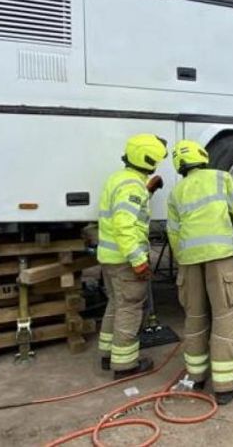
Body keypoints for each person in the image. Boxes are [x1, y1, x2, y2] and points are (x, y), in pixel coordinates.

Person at [167, 140, 233, 405]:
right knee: (225, 317)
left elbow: (173, 233)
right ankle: (225, 386)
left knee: (195, 317)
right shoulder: (221, 178)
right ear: (202, 157)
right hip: (220, 256)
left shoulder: (176, 191)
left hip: (189, 261)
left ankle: (196, 376)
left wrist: (185, 260)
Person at [97, 134, 167, 378]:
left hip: (110, 258)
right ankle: (125, 365)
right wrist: (138, 262)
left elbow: (127, 211)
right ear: (149, 160)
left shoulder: (120, 179)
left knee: (116, 305)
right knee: (130, 309)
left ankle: (108, 355)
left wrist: (147, 191)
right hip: (125, 260)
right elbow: (125, 224)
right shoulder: (131, 186)